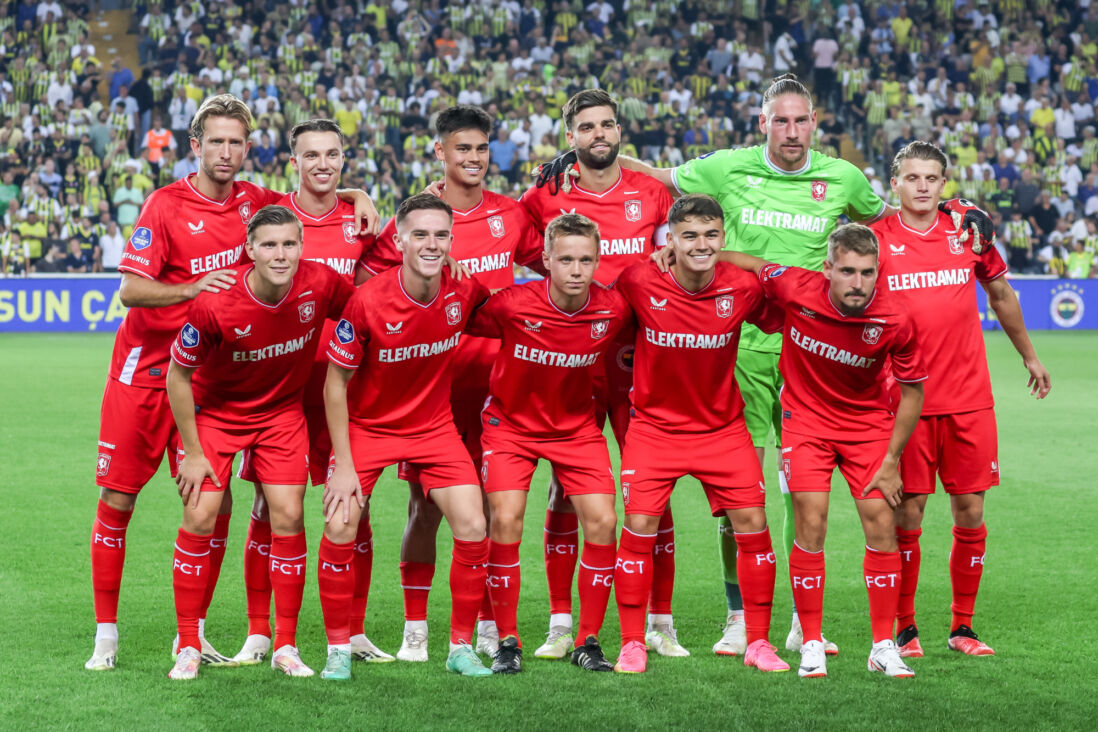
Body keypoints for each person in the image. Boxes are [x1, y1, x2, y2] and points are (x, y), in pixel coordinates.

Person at [613, 73, 993, 657]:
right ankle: (740, 614)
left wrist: (960, 209)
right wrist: (593, 155)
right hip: (733, 346)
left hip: (809, 356)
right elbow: (657, 176)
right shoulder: (726, 167)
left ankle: (797, 619)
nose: (791, 131)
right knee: (741, 489)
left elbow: (896, 219)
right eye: (780, 121)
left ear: (815, 124)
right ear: (762, 123)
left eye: (801, 121)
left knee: (800, 493)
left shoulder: (841, 177)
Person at [85, 93, 378, 673]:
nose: (225, 151)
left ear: (248, 147)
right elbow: (130, 292)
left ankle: (186, 637)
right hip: (149, 372)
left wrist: (355, 195)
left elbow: (306, 202)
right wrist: (194, 289)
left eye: (235, 141)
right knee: (118, 499)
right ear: (195, 146)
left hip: (212, 385)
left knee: (210, 509)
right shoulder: (165, 206)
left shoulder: (255, 202)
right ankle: (106, 635)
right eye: (214, 140)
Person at [362, 105, 544, 662]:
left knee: (489, 508)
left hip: (499, 386)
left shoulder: (511, 216)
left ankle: (485, 623)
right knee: (425, 507)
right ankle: (415, 629)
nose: (474, 159)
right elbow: (370, 286)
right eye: (462, 149)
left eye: (481, 149)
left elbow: (559, 261)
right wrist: (353, 194)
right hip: (431, 389)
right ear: (439, 152)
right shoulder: (421, 220)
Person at [872, 141, 1051, 659]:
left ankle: (962, 627)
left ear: (944, 185)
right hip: (906, 402)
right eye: (912, 177)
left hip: (970, 398)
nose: (922, 186)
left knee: (970, 510)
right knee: (908, 515)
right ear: (896, 184)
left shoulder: (968, 232)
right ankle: (905, 628)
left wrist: (1030, 357)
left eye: (932, 178)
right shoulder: (878, 240)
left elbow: (1000, 296)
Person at [724, 224, 928, 679]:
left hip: (867, 427)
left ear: (879, 271)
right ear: (827, 268)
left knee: (881, 526)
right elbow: (753, 265)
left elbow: (913, 393)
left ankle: (881, 646)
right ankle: (810, 642)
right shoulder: (796, 285)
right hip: (807, 423)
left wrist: (893, 461)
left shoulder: (897, 317)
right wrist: (694, 253)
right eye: (848, 271)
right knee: (810, 523)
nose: (858, 283)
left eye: (868, 273)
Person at [522, 89, 682, 659]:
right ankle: (561, 622)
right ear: (570, 137)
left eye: (607, 125)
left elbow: (673, 260)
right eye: (586, 126)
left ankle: (660, 622)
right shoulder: (545, 197)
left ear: (620, 132)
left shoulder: (653, 194)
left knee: (648, 492)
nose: (598, 134)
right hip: (568, 364)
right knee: (567, 489)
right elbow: (512, 247)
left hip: (637, 362)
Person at [165, 205, 353, 680]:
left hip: (281, 416)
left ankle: (285, 645)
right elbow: (177, 377)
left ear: (302, 246)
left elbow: (368, 308)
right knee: (200, 513)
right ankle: (188, 643)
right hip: (220, 415)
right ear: (249, 250)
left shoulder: (322, 283)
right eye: (269, 245)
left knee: (289, 515)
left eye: (289, 243)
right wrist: (191, 451)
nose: (280, 254)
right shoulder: (216, 302)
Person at [611, 194, 786, 675]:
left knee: (753, 524)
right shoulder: (638, 280)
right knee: (640, 528)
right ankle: (633, 642)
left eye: (711, 235)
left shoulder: (743, 288)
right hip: (654, 429)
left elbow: (786, 317)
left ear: (723, 239)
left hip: (722, 430)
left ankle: (759, 642)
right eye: (689, 235)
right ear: (670, 239)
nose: (701, 245)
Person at [321, 194, 493, 679]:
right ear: (398, 241)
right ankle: (338, 650)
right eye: (420, 234)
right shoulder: (368, 301)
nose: (431, 244)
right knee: (339, 526)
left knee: (474, 526)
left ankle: (461, 647)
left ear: (452, 242)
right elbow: (335, 383)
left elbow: (496, 307)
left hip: (434, 430)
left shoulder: (463, 289)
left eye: (441, 235)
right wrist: (345, 464)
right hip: (368, 430)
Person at [233, 119, 386, 667]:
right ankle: (260, 630)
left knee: (355, 506)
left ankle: (355, 630)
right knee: (271, 506)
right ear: (292, 162)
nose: (323, 164)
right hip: (285, 390)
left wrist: (359, 195)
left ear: (345, 159)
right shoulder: (271, 214)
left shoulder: (362, 221)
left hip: (346, 388)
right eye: (311, 156)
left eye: (334, 155)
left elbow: (384, 287)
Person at [469, 213, 627, 674]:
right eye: (566, 260)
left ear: (597, 261)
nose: (576, 270)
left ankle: (587, 641)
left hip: (576, 429)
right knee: (506, 518)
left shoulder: (612, 309)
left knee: (603, 520)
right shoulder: (512, 304)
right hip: (510, 427)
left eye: (586, 260)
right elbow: (459, 322)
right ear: (546, 260)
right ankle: (507, 641)